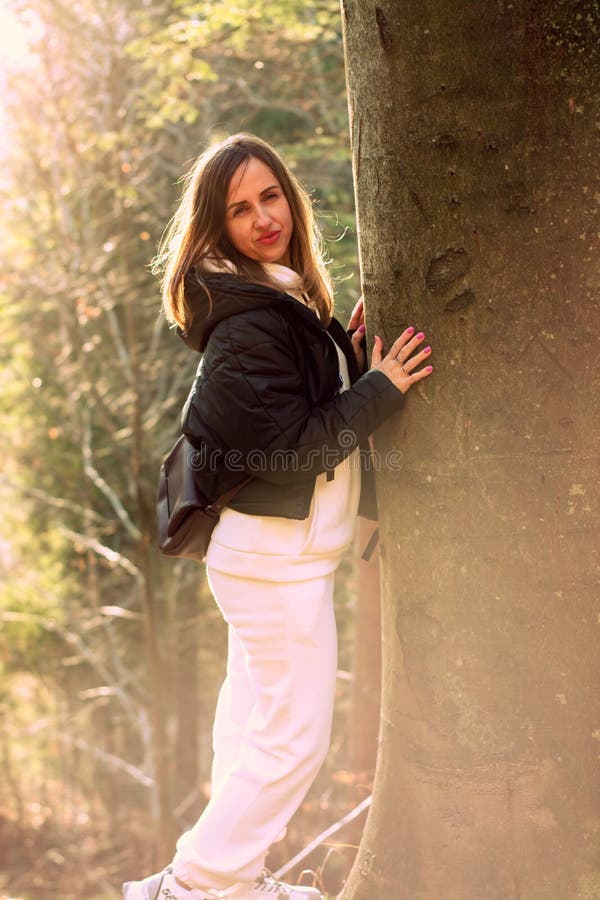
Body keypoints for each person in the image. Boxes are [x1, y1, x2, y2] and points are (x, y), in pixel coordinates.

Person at [123, 133, 433, 900]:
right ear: (215, 226)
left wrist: (349, 358)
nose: (263, 217)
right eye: (239, 208)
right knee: (296, 738)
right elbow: (295, 450)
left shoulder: (273, 297)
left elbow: (296, 406)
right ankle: (192, 885)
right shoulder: (249, 322)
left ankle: (225, 878)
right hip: (274, 566)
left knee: (255, 727)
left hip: (269, 558)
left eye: (270, 197)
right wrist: (381, 387)